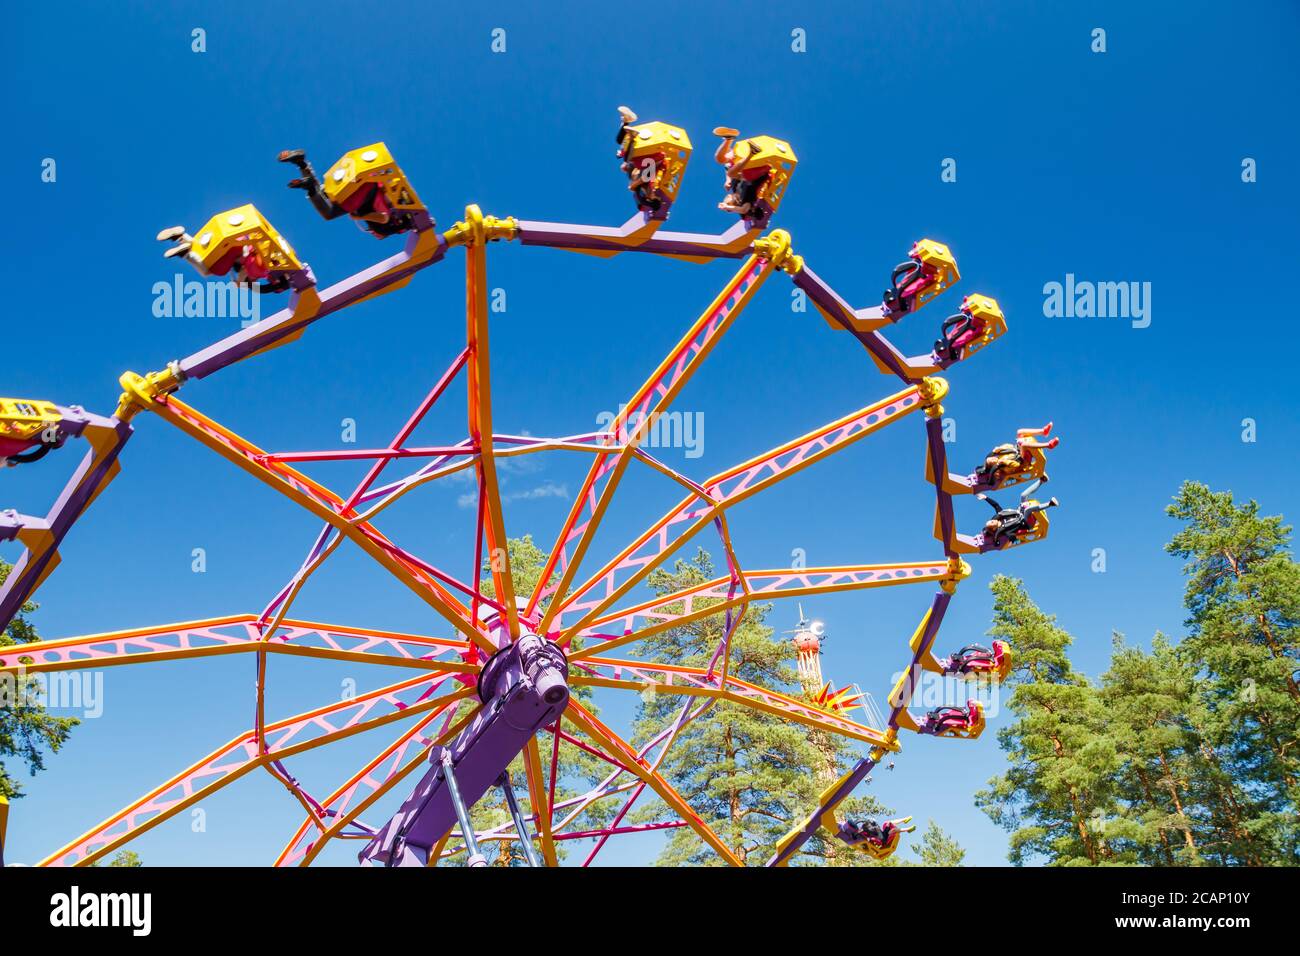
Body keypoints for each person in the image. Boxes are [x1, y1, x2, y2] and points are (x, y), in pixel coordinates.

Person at [277, 149, 409, 238]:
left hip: (364, 182)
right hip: (365, 192)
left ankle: (302, 164)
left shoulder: (392, 200)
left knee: (324, 193)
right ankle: (309, 185)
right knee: (329, 213)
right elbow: (384, 218)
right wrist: (358, 217)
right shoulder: (385, 223)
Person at [155, 226, 289, 294]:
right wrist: (240, 283)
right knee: (209, 271)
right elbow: (245, 273)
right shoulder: (260, 270)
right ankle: (186, 253)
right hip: (236, 249)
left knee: (206, 250)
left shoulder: (270, 252)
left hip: (238, 240)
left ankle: (181, 237)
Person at [977, 478, 1059, 548]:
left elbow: (996, 505)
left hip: (1021, 513)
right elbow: (1009, 536)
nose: (992, 520)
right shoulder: (1004, 530)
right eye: (991, 522)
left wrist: (986, 498)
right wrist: (1010, 541)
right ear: (994, 528)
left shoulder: (1001, 515)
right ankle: (1050, 504)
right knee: (1028, 510)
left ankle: (1041, 481)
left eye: (991, 520)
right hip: (1026, 523)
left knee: (1023, 495)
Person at [714, 127, 768, 216]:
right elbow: (743, 210)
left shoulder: (734, 187)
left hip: (746, 166)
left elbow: (727, 166)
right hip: (757, 173)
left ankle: (729, 138)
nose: (726, 197)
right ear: (733, 205)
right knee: (732, 173)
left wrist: (727, 180)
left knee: (720, 159)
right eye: (727, 202)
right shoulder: (745, 201)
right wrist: (727, 207)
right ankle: (752, 152)